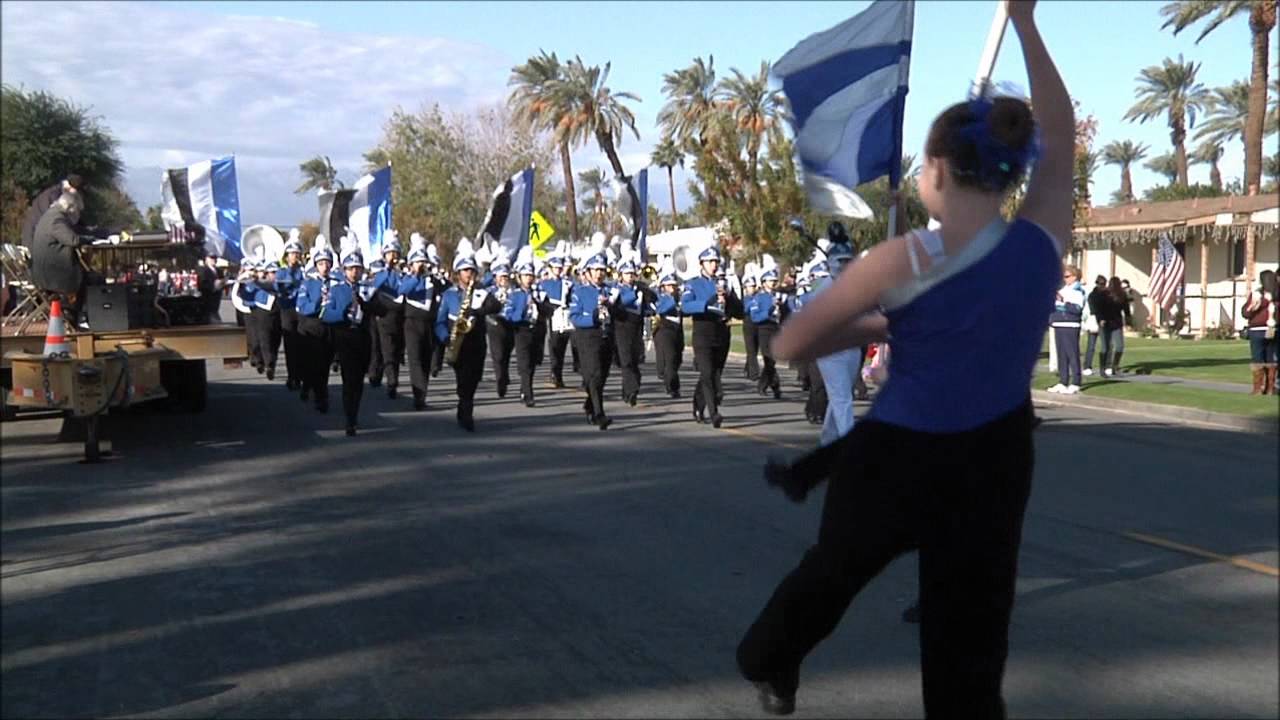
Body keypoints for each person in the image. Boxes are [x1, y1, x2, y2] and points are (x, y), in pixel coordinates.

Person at [736, 2, 1069, 715]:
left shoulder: (904, 256)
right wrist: (1028, 27)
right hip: (996, 459)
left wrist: (881, 319)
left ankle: (770, 662)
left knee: (831, 575)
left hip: (898, 456)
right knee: (969, 644)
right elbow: (1062, 139)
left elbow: (792, 341)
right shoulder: (1040, 244)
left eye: (924, 164)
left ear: (939, 173)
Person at [435, 243, 504, 431]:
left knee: (473, 379)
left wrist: (479, 309)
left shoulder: (481, 292)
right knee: (463, 380)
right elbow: (439, 322)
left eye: (471, 270)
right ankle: (466, 412)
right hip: (458, 343)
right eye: (465, 270)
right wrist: (445, 337)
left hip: (477, 343)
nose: (469, 274)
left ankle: (465, 404)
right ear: (458, 273)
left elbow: (497, 306)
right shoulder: (448, 296)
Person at [681, 246, 743, 427]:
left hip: (722, 332)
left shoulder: (726, 283)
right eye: (710, 262)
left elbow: (740, 312)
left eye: (716, 262)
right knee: (707, 373)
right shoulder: (693, 284)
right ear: (702, 264)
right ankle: (714, 412)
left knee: (715, 373)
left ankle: (698, 403)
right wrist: (707, 304)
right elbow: (685, 307)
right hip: (703, 331)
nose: (714, 265)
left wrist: (730, 297)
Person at [324, 245, 376, 436]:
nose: (355, 272)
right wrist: (341, 313)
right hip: (345, 337)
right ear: (344, 270)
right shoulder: (336, 289)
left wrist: (367, 305)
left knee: (359, 382)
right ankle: (350, 419)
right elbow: (326, 314)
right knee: (349, 380)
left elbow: (381, 310)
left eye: (358, 268)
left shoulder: (368, 289)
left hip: (363, 338)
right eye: (351, 268)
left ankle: (354, 412)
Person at [29, 184, 90, 327]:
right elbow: (72, 240)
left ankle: (75, 318)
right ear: (70, 208)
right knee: (86, 279)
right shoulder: (57, 219)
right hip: (53, 272)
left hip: (45, 269)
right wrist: (89, 238)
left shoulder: (51, 215)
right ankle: (75, 319)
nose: (77, 216)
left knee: (86, 277)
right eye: (76, 212)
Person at [569, 253, 617, 430]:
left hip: (606, 337)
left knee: (601, 377)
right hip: (587, 337)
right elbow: (574, 317)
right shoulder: (579, 292)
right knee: (594, 375)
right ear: (588, 273)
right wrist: (593, 318)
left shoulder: (609, 290)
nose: (599, 274)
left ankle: (590, 405)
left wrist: (613, 307)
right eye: (595, 270)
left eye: (602, 270)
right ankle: (599, 414)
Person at [294, 236, 339, 412]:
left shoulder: (336, 283)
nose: (325, 267)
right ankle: (316, 393)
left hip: (329, 327)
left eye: (327, 263)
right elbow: (302, 306)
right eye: (321, 263)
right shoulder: (308, 283)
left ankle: (319, 392)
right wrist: (319, 302)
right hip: (311, 327)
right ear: (316, 265)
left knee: (324, 364)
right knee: (312, 363)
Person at [398, 235, 443, 411]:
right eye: (417, 262)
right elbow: (403, 290)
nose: (421, 265)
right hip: (412, 323)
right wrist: (416, 275)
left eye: (423, 262)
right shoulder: (407, 278)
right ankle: (419, 395)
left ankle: (423, 390)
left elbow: (445, 290)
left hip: (429, 323)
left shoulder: (432, 279)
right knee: (415, 359)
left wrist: (435, 274)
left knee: (425, 359)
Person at [369, 233, 406, 399]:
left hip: (399, 316)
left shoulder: (402, 274)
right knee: (383, 347)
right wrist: (387, 269)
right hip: (383, 315)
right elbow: (376, 285)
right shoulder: (380, 272)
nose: (393, 256)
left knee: (396, 349)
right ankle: (389, 379)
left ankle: (391, 376)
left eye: (395, 253)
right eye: (390, 253)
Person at [612, 258, 651, 406]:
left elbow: (651, 301)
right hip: (621, 326)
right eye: (627, 273)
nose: (630, 276)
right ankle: (632, 389)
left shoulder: (640, 288)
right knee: (626, 360)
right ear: (621, 274)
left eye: (632, 273)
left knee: (635, 360)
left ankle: (628, 389)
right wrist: (633, 295)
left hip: (637, 327)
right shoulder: (616, 289)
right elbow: (615, 306)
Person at [509, 256, 544, 407]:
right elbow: (510, 316)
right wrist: (524, 307)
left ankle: (524, 388)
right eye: (525, 276)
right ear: (519, 277)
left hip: (536, 330)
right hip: (521, 330)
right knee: (524, 363)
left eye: (531, 276)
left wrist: (539, 304)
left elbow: (548, 310)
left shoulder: (538, 292)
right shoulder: (515, 295)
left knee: (533, 362)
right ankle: (528, 394)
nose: (529, 279)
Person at [748, 268, 787, 399]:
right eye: (770, 281)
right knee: (768, 359)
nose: (773, 283)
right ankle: (771, 386)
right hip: (764, 329)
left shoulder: (777, 295)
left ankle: (769, 385)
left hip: (776, 329)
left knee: (773, 360)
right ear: (764, 282)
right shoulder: (758, 298)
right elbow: (755, 317)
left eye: (774, 281)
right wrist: (769, 311)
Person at [275, 231, 307, 391]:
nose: (295, 256)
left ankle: (300, 375)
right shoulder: (281, 272)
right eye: (292, 254)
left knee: (302, 345)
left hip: (301, 311)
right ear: (286, 256)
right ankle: (292, 376)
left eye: (297, 253)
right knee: (290, 344)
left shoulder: (305, 271)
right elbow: (277, 287)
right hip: (287, 310)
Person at [1049, 265, 1084, 394]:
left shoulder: (1078, 290)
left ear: (1075, 277)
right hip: (1059, 323)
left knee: (1072, 354)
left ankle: (1076, 382)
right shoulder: (1064, 289)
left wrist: (1063, 302)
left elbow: (1077, 309)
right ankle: (1063, 381)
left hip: (1070, 324)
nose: (1065, 279)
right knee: (1061, 355)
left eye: (1067, 276)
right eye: (1064, 276)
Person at [1242, 269, 1278, 395]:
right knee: (1270, 358)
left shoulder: (1258, 295)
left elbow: (1246, 312)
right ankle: (1270, 387)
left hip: (1257, 330)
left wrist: (1262, 303)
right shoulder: (1276, 295)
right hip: (1272, 329)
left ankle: (1258, 387)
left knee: (1258, 358)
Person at [486, 260, 517, 399]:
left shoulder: (514, 291)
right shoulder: (489, 291)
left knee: (506, 353)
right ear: (495, 278)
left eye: (505, 276)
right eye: (500, 276)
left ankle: (504, 374)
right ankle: (500, 380)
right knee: (497, 354)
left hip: (509, 325)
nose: (503, 279)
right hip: (494, 324)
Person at [652, 273, 685, 398]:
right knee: (670, 359)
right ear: (663, 287)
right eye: (669, 285)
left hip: (677, 330)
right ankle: (673, 387)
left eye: (674, 285)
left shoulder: (679, 298)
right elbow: (660, 310)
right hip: (664, 329)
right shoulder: (660, 297)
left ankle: (668, 377)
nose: (672, 288)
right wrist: (673, 299)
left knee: (677, 360)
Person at [250, 260, 283, 381]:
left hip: (278, 311)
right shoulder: (261, 283)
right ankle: (269, 364)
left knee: (276, 338)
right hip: (263, 311)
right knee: (265, 337)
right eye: (271, 272)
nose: (273, 275)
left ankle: (271, 361)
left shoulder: (280, 283)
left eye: (275, 272)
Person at [1097, 276, 1127, 376]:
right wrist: (1101, 319)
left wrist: (1129, 320)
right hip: (1105, 322)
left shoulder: (1122, 295)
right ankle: (1103, 368)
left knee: (1119, 346)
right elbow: (1099, 308)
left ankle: (1114, 366)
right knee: (1105, 347)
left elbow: (1126, 310)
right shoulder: (1104, 294)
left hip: (1116, 323)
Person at [1081, 275, 1106, 376]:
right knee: (1091, 346)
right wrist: (1101, 318)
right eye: (1101, 284)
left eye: (1103, 284)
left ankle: (1105, 367)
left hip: (1104, 322)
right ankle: (1087, 366)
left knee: (1105, 346)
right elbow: (1093, 309)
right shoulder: (1092, 295)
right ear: (1097, 284)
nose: (1102, 286)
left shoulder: (1106, 295)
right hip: (1095, 321)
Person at [741, 273, 761, 381]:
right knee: (751, 349)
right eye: (750, 286)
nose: (752, 288)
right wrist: (754, 302)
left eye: (753, 286)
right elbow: (744, 310)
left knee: (755, 348)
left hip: (758, 324)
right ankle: (754, 373)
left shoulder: (758, 297)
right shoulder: (745, 299)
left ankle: (748, 368)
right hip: (748, 324)